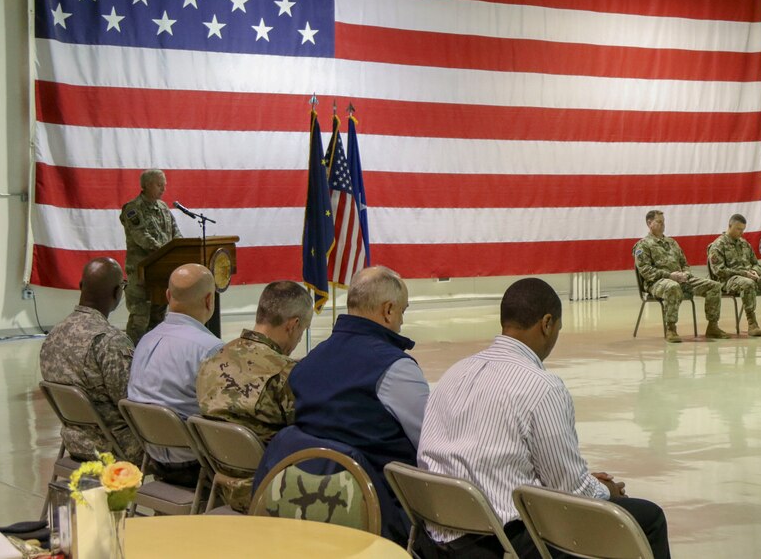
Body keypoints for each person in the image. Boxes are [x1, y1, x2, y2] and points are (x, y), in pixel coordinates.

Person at [417, 278, 671, 559]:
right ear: (547, 323)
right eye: (558, 330)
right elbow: (571, 491)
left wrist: (581, 480)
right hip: (499, 542)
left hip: (436, 536)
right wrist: (606, 489)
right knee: (647, 518)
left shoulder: (454, 373)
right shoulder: (541, 387)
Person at [290, 265, 429, 474]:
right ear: (388, 310)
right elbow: (433, 442)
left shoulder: (307, 363)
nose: (401, 321)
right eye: (403, 310)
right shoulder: (396, 368)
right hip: (380, 498)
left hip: (306, 488)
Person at [195, 280, 313, 512]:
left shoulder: (212, 358)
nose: (300, 338)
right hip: (269, 493)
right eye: (303, 330)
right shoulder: (284, 373)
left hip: (220, 483)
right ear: (293, 325)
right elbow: (305, 431)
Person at [39, 257, 142, 464]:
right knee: (193, 448)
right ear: (117, 292)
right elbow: (132, 403)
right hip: (118, 447)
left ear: (80, 287)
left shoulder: (54, 335)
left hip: (74, 442)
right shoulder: (110, 341)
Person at [127, 264, 223, 486]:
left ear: (168, 296)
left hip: (151, 455)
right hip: (196, 463)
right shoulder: (210, 349)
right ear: (210, 300)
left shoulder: (144, 341)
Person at [634, 209, 728, 342]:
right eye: (659, 222)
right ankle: (671, 329)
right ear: (649, 223)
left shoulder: (672, 243)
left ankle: (712, 326)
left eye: (664, 222)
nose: (663, 225)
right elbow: (646, 271)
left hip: (681, 279)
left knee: (714, 286)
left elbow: (684, 263)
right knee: (672, 287)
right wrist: (670, 275)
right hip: (657, 283)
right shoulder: (643, 245)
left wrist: (685, 274)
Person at [120, 169, 181, 345]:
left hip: (161, 272)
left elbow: (176, 234)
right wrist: (169, 251)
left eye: (164, 185)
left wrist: (180, 249)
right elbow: (143, 238)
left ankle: (154, 353)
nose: (163, 189)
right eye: (158, 184)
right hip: (141, 273)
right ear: (145, 185)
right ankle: (132, 357)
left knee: (159, 316)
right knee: (140, 318)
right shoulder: (132, 209)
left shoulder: (163, 208)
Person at [707, 214, 761, 336]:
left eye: (743, 229)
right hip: (729, 280)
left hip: (751, 277)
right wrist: (744, 273)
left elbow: (756, 264)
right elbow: (718, 271)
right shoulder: (718, 245)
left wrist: (755, 271)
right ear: (729, 226)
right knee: (748, 284)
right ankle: (752, 322)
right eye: (738, 229)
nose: (741, 232)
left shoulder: (744, 244)